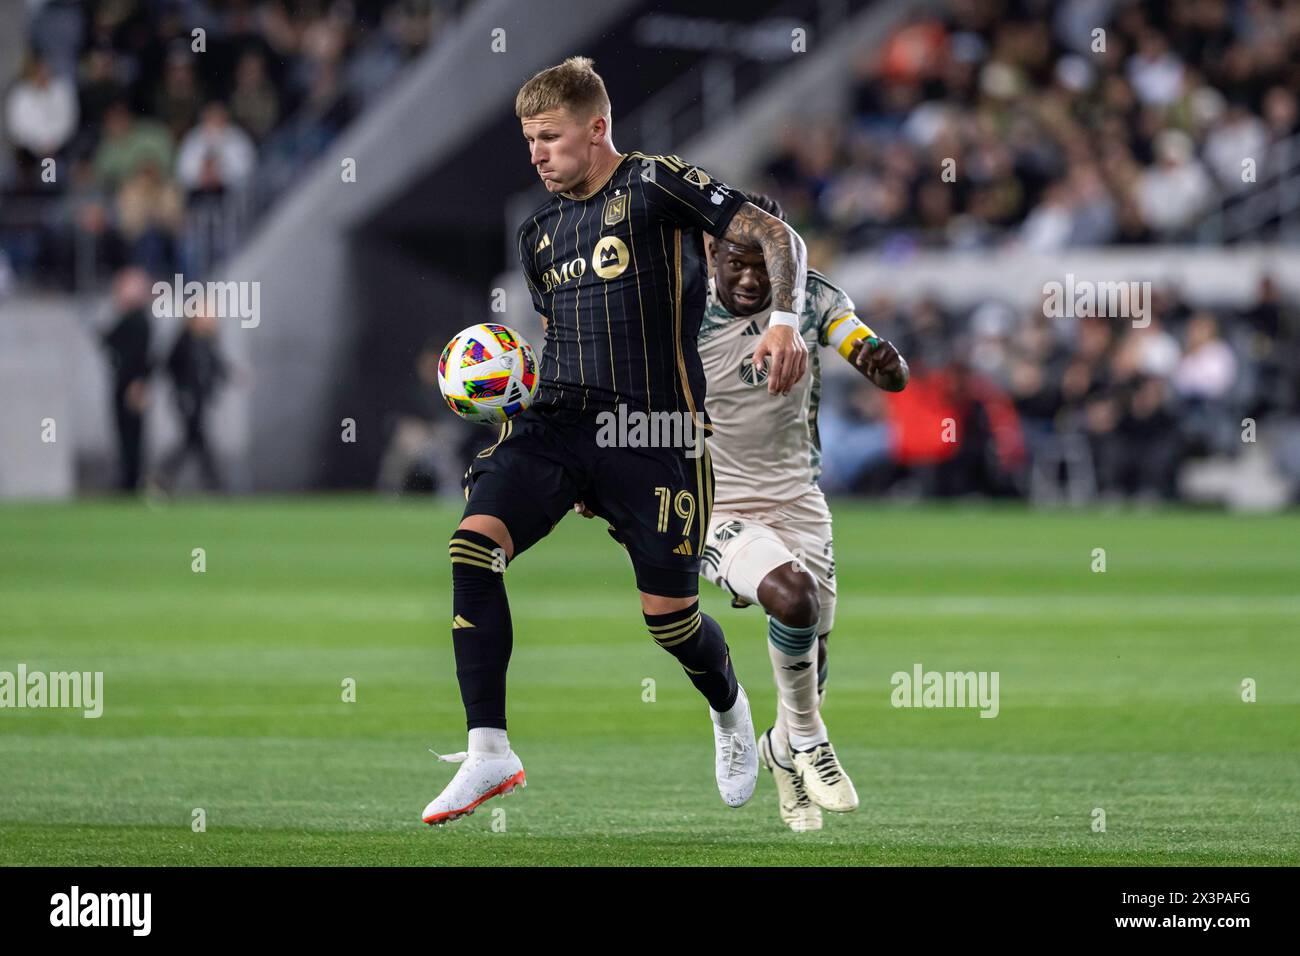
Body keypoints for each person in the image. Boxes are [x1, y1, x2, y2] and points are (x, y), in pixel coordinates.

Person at [423, 57, 811, 825]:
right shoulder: (538, 232)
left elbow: (773, 234)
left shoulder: (653, 183)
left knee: (669, 618)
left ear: (596, 129)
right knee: (473, 546)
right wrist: (535, 448)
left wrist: (785, 321)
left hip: (657, 434)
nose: (536, 153)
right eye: (528, 139)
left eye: (550, 137)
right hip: (559, 421)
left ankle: (731, 710)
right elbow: (562, 339)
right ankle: (489, 751)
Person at [697, 192, 907, 830]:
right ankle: (812, 742)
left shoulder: (810, 299)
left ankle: (780, 752)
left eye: (765, 263)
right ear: (710, 252)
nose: (751, 276)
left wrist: (875, 358)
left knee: (811, 654)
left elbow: (860, 343)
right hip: (716, 502)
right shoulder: (679, 313)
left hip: (799, 499)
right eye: (737, 261)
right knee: (793, 597)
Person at [155, 312, 227, 491]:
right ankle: (214, 485)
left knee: (193, 441)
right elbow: (169, 365)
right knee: (196, 440)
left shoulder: (208, 342)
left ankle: (162, 478)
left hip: (200, 399)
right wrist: (182, 390)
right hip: (187, 399)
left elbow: (216, 366)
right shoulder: (185, 341)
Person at [101, 268, 154, 493]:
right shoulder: (128, 319)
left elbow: (143, 357)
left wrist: (140, 383)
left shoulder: (140, 321)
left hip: (132, 385)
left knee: (132, 436)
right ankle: (128, 480)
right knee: (125, 435)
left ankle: (131, 482)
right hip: (124, 383)